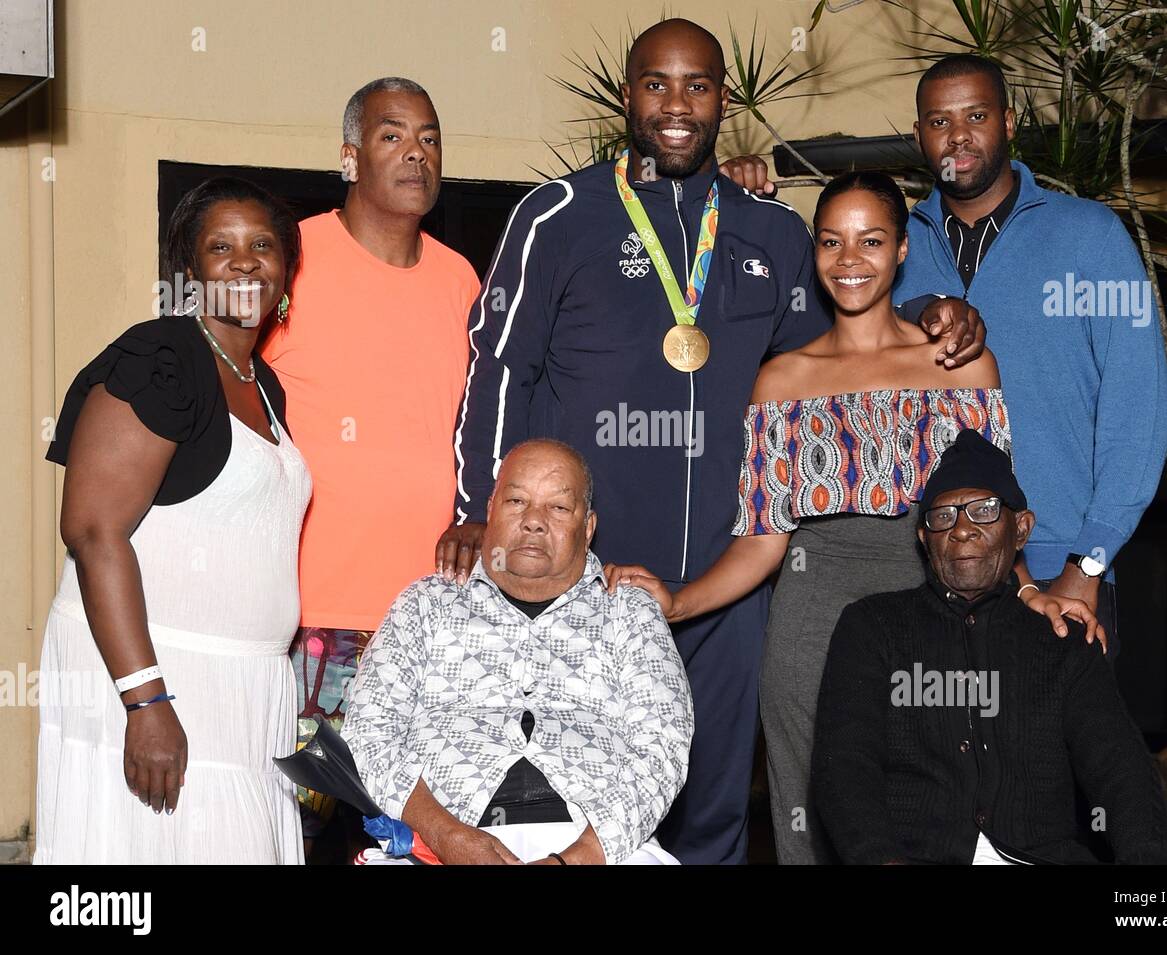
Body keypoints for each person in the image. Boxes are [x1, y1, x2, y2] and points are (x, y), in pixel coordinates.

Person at [440, 17, 985, 865]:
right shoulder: (556, 217)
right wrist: (478, 508)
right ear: (627, 96)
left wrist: (929, 318)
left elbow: (841, 346)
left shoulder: (767, 231)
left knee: (713, 815)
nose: (677, 104)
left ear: (724, 100)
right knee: (574, 809)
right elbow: (498, 365)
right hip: (589, 586)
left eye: (697, 85)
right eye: (657, 83)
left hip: (728, 586)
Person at [606, 172, 1102, 864]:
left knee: (938, 823)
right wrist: (677, 600)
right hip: (811, 633)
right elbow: (763, 540)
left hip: (937, 624)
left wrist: (1027, 591)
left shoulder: (961, 365)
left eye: (871, 240)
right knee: (815, 834)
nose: (850, 259)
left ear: (902, 250)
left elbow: (986, 520)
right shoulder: (780, 379)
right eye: (832, 241)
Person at [727, 55, 1167, 660]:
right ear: (918, 136)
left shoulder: (1090, 237)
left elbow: (1140, 418)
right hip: (930, 581)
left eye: (977, 115)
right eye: (939, 120)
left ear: (1010, 123)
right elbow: (830, 349)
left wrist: (1087, 562)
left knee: (1058, 755)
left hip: (1060, 570)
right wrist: (733, 197)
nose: (957, 135)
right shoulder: (890, 245)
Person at [37, 178, 310, 864]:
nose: (245, 262)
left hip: (246, 694)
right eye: (221, 247)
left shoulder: (263, 384)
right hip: (163, 677)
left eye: (263, 246)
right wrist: (144, 701)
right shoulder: (162, 358)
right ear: (190, 273)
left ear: (285, 272)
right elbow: (92, 530)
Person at [259, 77, 480, 846]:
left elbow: (474, 430)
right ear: (350, 157)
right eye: (392, 135)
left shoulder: (461, 280)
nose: (416, 153)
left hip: (428, 623)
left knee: (410, 844)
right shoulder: (290, 258)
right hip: (310, 623)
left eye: (430, 137)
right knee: (295, 836)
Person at [812, 429, 1167, 864]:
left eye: (984, 511)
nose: (962, 530)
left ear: (1020, 529)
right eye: (943, 517)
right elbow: (845, 768)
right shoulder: (873, 628)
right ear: (925, 539)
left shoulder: (1059, 641)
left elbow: (1122, 770)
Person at [343, 439, 692, 865]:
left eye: (559, 508)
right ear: (489, 510)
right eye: (516, 500)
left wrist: (574, 860)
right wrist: (447, 836)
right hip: (441, 837)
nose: (534, 522)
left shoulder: (629, 611)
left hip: (600, 846)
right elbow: (369, 734)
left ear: (589, 527)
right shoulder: (426, 603)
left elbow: (663, 749)